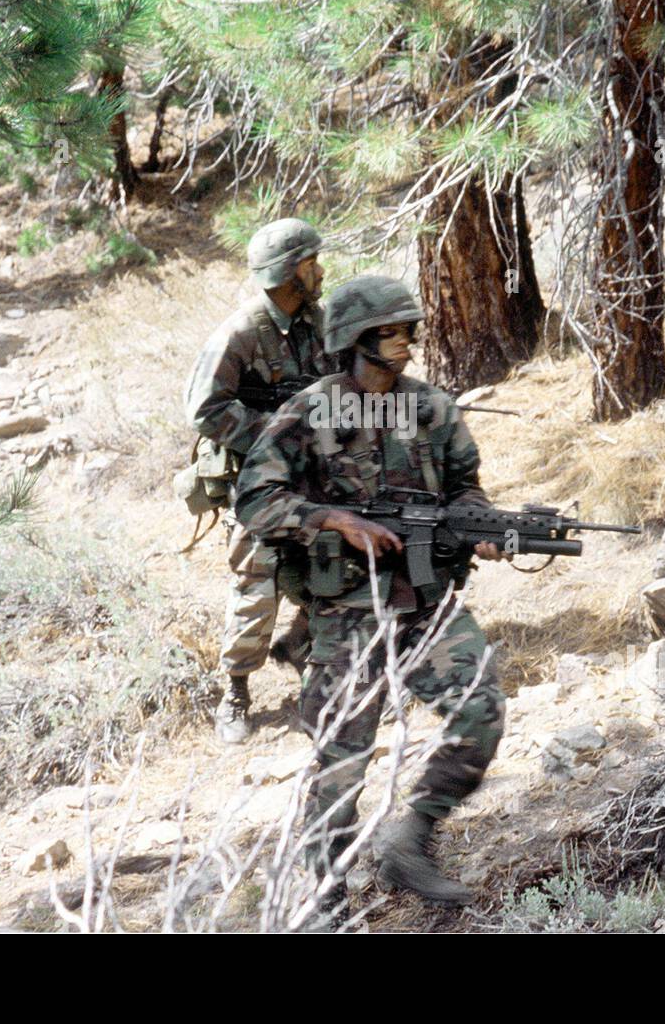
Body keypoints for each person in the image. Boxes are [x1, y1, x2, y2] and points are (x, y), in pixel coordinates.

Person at [234, 274, 506, 916]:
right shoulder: (310, 411)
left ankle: (410, 841)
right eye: (391, 331)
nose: (407, 341)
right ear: (356, 340)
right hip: (347, 616)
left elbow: (466, 485)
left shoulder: (432, 408)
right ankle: (323, 899)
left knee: (481, 709)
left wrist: (482, 526)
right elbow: (255, 499)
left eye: (410, 329)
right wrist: (334, 520)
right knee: (341, 762)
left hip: (426, 604)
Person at [184, 218, 329, 745]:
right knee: (256, 581)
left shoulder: (319, 322)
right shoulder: (241, 334)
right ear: (290, 274)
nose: (320, 271)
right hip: (258, 481)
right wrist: (276, 433)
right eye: (311, 263)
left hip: (313, 476)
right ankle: (237, 690)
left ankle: (304, 650)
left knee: (331, 563)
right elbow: (204, 409)